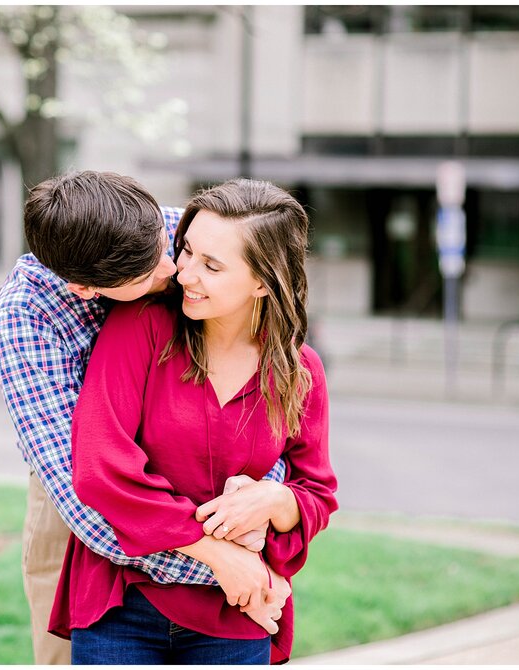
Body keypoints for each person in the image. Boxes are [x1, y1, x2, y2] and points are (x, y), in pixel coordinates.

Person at [0, 171, 290, 664]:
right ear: (88, 290)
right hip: (82, 508)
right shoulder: (24, 320)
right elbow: (84, 498)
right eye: (150, 274)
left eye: (171, 248)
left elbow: (262, 361)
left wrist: (257, 509)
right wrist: (225, 563)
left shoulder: (174, 236)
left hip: (205, 472)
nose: (176, 270)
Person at [48, 178, 339, 664]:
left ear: (263, 281)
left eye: (212, 266)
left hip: (233, 614)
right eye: (186, 252)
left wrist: (274, 498)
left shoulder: (299, 370)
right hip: (123, 604)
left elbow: (318, 495)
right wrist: (219, 552)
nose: (183, 274)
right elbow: (102, 470)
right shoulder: (141, 325)